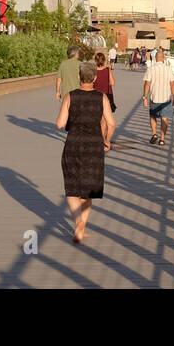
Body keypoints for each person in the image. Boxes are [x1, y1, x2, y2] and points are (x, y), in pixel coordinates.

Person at [56, 61, 115, 244]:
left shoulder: (70, 96)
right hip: (94, 146)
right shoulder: (102, 97)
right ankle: (83, 225)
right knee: (89, 189)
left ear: (79, 77)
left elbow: (59, 123)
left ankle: (78, 223)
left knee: (72, 189)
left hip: (73, 144)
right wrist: (107, 139)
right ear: (95, 78)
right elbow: (111, 123)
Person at [143, 48, 174, 145]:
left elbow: (147, 84)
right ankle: (162, 139)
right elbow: (173, 84)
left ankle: (154, 134)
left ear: (155, 58)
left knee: (153, 116)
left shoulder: (151, 69)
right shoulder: (168, 69)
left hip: (154, 98)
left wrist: (144, 97)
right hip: (166, 99)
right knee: (164, 118)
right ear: (163, 58)